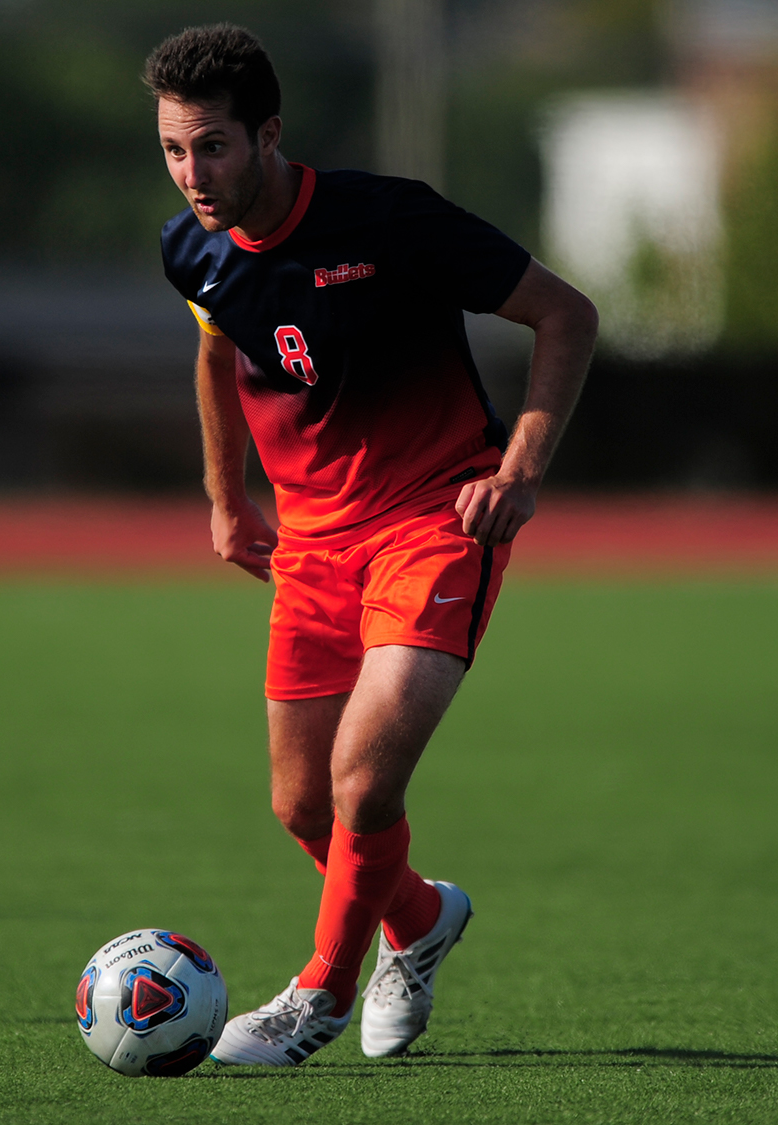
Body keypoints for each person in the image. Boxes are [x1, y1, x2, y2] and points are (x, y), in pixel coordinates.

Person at [146, 23, 597, 1065]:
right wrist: (226, 499)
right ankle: (421, 919)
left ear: (268, 134)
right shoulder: (190, 247)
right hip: (308, 543)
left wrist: (518, 471)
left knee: (360, 783)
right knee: (303, 807)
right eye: (172, 150)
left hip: (434, 521)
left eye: (211, 146)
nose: (191, 174)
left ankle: (318, 997)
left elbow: (564, 316)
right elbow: (217, 352)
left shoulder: (388, 219)